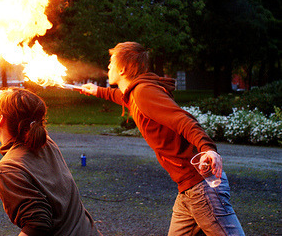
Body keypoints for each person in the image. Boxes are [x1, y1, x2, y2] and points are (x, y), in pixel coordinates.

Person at [81, 41, 245, 236]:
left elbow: (183, 121)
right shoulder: (136, 92)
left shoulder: (143, 92)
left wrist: (207, 149)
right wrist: (98, 91)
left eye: (111, 62)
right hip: (188, 190)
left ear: (123, 69)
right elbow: (122, 96)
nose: (108, 66)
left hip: (200, 188)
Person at [0, 87, 101, 236]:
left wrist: (7, 99)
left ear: (0, 119)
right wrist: (7, 98)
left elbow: (37, 225)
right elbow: (29, 110)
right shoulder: (46, 143)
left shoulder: (8, 168)